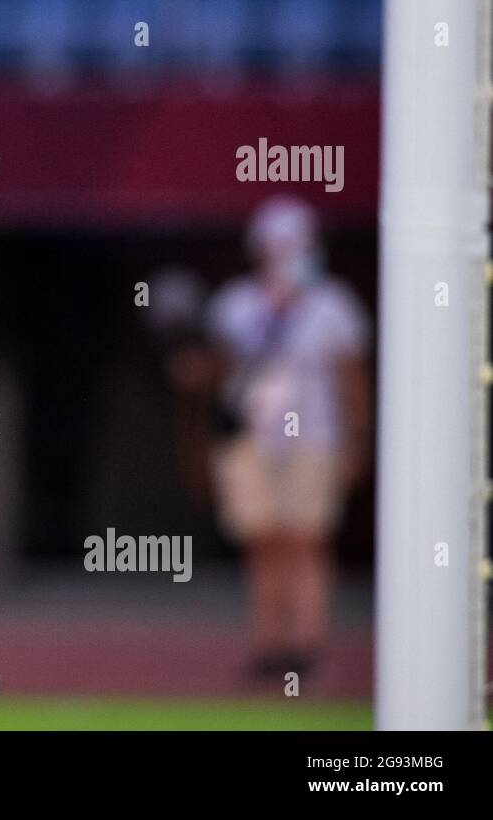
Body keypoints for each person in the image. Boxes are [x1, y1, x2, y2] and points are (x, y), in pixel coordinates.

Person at [206, 196, 370, 680]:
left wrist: (357, 438)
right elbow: (217, 377)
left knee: (307, 541)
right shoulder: (235, 305)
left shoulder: (333, 306)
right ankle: (270, 649)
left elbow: (351, 377)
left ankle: (308, 648)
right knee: (262, 542)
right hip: (251, 440)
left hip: (316, 438)